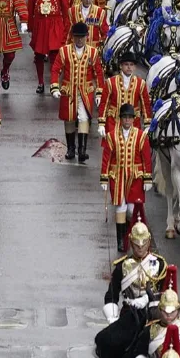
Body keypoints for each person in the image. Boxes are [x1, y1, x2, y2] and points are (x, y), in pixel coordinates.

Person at [100, 103, 154, 252]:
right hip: (117, 178)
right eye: (124, 118)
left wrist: (148, 178)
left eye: (130, 118)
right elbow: (106, 158)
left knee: (132, 210)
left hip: (135, 178)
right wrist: (104, 178)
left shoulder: (141, 136)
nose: (127, 121)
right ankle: (121, 242)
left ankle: (133, 237)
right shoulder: (111, 136)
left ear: (133, 119)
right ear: (120, 119)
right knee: (120, 208)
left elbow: (146, 158)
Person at [52, 22, 104, 165]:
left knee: (83, 118)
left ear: (87, 37)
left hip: (85, 91)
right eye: (77, 37)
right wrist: (55, 87)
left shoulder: (93, 52)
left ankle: (82, 150)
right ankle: (70, 148)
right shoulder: (64, 51)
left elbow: (98, 73)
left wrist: (99, 93)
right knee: (69, 119)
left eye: (82, 37)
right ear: (73, 37)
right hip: (68, 90)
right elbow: (56, 69)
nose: (79, 40)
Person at [27, 0, 71, 93]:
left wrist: (66, 28)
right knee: (39, 55)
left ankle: (54, 82)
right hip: (40, 25)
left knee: (55, 55)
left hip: (55, 24)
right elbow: (30, 11)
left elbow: (65, 10)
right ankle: (40, 82)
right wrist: (30, 28)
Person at [99, 50, 153, 134]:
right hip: (114, 122)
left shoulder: (141, 83)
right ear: (121, 66)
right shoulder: (110, 82)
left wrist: (147, 124)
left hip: (133, 124)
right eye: (126, 64)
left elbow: (145, 104)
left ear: (135, 67)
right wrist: (101, 123)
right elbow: (104, 103)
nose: (129, 67)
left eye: (131, 65)